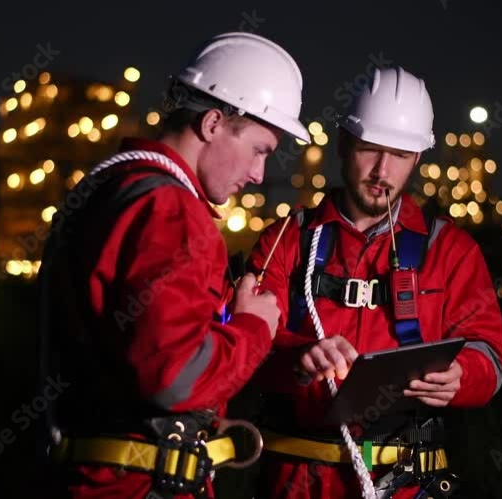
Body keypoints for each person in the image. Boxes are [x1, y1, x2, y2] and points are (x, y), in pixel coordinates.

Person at [37, 31, 313, 499]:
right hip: (139, 486)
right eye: (260, 150)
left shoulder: (113, 185)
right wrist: (252, 327)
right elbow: (173, 376)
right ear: (212, 124)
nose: (259, 174)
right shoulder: (173, 211)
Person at [246, 66, 502, 498]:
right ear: (344, 142)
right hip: (296, 482)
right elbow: (241, 345)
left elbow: (489, 353)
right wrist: (298, 358)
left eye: (400, 155)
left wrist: (464, 374)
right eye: (370, 149)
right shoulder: (286, 241)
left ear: (418, 159)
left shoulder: (451, 250)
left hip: (405, 483)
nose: (382, 171)